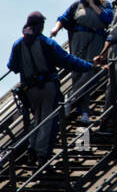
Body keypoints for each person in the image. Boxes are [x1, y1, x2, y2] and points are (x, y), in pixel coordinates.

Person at [6, 11, 95, 163]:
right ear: (40, 25)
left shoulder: (18, 44)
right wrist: (90, 67)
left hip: (29, 90)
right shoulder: (46, 43)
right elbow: (68, 60)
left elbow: (12, 66)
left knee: (37, 119)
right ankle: (42, 155)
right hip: (47, 87)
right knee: (49, 120)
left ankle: (32, 147)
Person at [50, 0, 113, 122]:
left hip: (96, 40)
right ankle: (84, 111)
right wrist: (55, 29)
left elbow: (108, 18)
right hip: (79, 40)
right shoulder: (76, 5)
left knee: (91, 72)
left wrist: (92, 4)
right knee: (78, 73)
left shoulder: (104, 4)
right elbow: (63, 18)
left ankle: (70, 98)